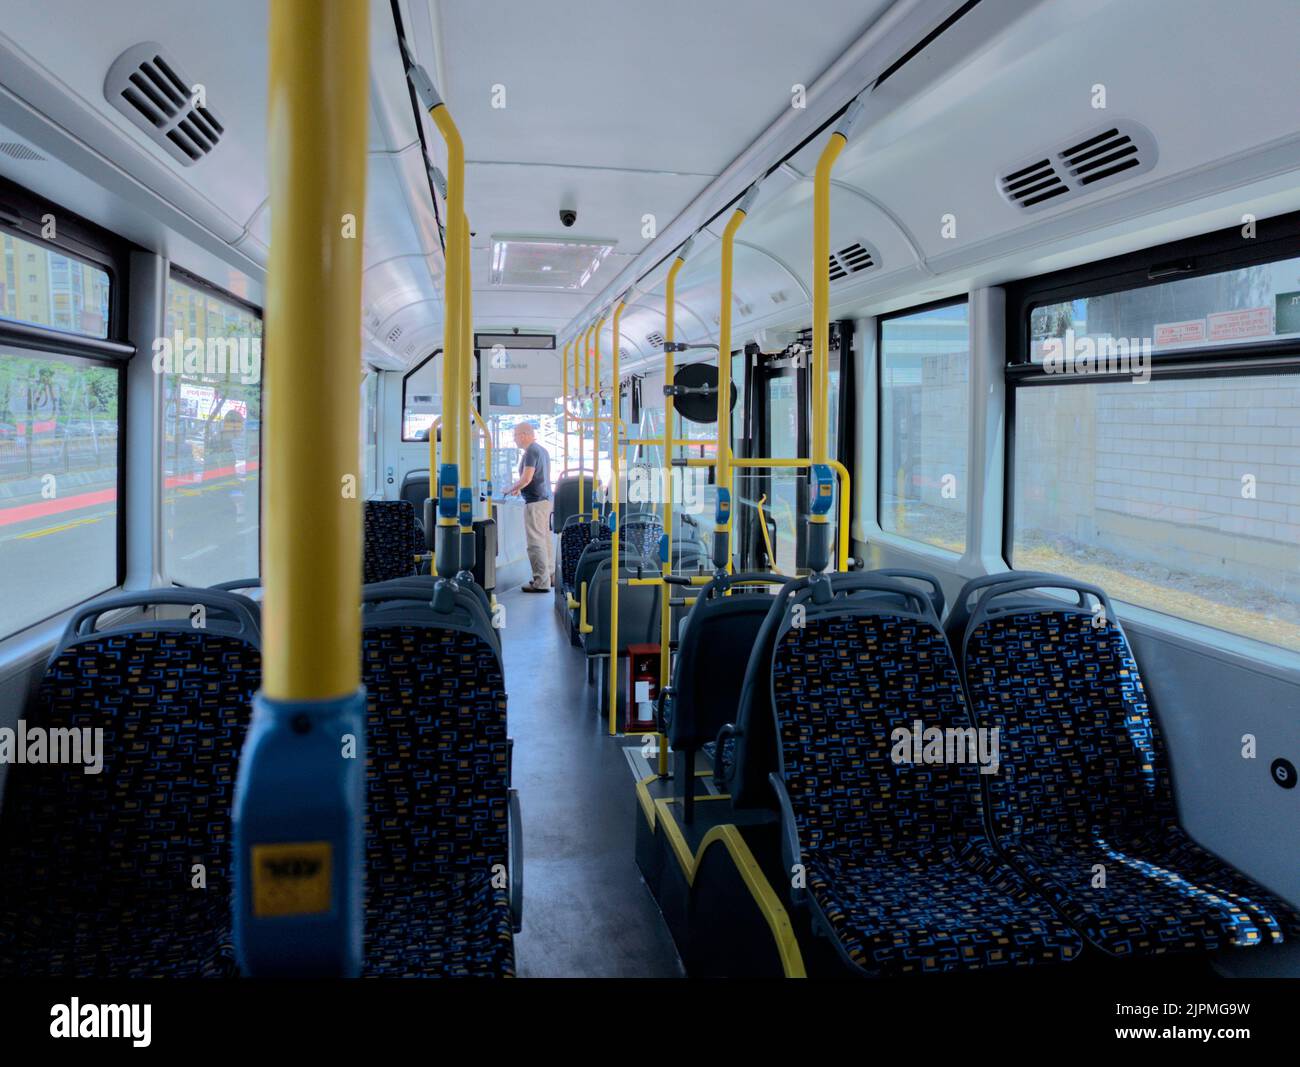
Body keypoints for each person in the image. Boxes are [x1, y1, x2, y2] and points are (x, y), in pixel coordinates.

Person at [505, 421, 553, 592]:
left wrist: (509, 489)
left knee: (535, 543)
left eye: (515, 435)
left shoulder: (531, 451)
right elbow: (537, 478)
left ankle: (541, 582)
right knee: (545, 540)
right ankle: (550, 576)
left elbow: (527, 478)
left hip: (535, 503)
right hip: (545, 501)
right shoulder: (541, 450)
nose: (514, 439)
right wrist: (519, 490)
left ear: (524, 434)